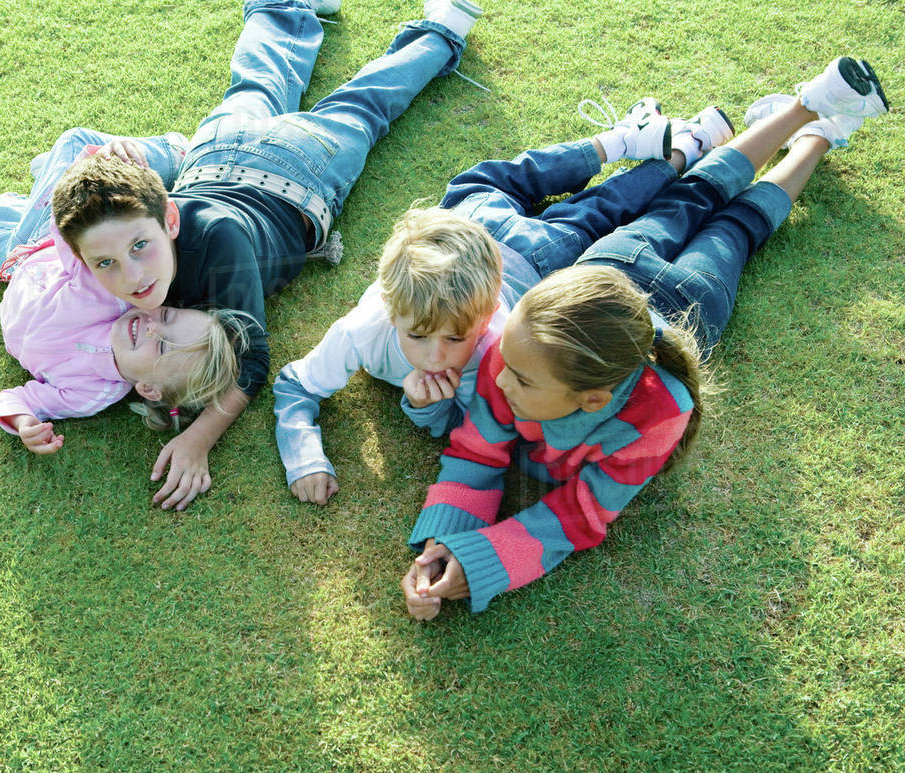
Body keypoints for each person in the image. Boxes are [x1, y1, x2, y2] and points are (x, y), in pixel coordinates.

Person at [401, 57, 889, 620]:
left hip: (682, 297)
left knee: (730, 217)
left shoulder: (659, 412)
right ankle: (813, 124)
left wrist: (481, 564)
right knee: (709, 204)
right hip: (616, 271)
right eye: (507, 364)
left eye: (522, 378)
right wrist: (445, 546)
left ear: (594, 398)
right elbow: (474, 452)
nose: (494, 374)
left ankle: (815, 125)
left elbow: (580, 515)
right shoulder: (513, 356)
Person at [0, 0, 489, 510]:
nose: (132, 279)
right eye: (106, 264)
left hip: (296, 172)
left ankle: (441, 31)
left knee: (363, 106)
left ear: (170, 221)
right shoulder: (107, 270)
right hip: (210, 151)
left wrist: (199, 436)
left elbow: (253, 359)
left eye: (141, 248)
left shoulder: (219, 241)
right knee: (258, 80)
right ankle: (282, 7)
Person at [273, 96, 736, 505]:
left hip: (525, 251)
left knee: (592, 210)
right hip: (465, 234)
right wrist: (306, 457)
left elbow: (484, 431)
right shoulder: (363, 329)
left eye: (457, 338)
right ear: (392, 312)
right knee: (558, 197)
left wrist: (439, 403)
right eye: (417, 335)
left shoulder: (499, 348)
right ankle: (650, 145)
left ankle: (673, 151)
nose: (436, 357)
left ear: (488, 316)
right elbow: (297, 385)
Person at [0, 230, 248, 455]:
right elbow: (69, 232)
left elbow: (21, 399)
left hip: (10, 280)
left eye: (162, 345)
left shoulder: (93, 394)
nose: (152, 325)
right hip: (35, 252)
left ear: (149, 389)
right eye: (167, 315)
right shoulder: (109, 290)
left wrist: (24, 422)